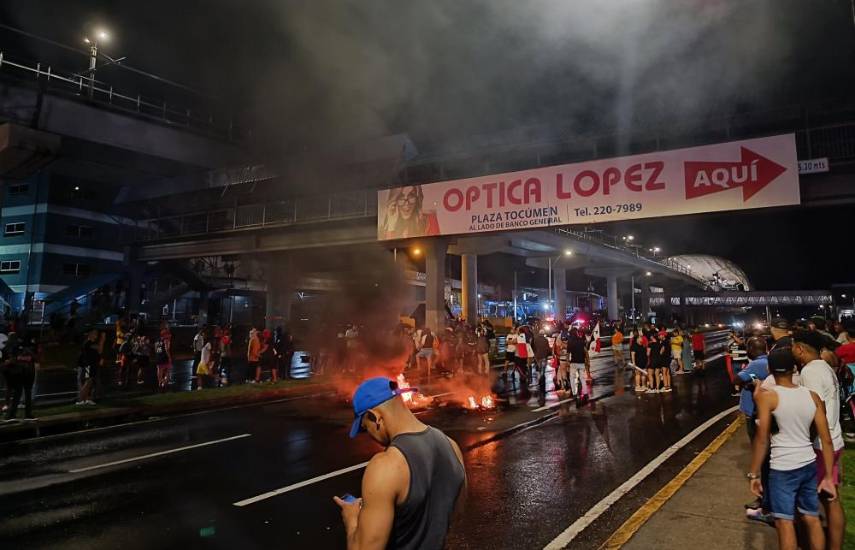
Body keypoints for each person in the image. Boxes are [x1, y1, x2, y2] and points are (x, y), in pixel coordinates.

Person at [335, 377, 465, 549]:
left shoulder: (385, 466)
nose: (370, 436)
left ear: (375, 418)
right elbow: (455, 514)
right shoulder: (452, 446)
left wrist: (352, 521)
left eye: (366, 428)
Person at [748, 346, 837, 550]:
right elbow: (826, 439)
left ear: (770, 369)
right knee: (812, 518)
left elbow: (762, 439)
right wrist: (829, 478)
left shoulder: (768, 396)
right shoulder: (812, 396)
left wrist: (753, 474)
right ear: (795, 368)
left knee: (785, 522)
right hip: (808, 464)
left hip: (782, 467)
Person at [792, 330, 846, 550]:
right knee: (831, 498)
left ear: (801, 348)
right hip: (833, 441)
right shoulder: (824, 367)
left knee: (810, 505)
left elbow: (816, 410)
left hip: (820, 446)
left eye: (794, 346)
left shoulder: (811, 372)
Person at [736, 336, 770, 517]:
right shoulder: (768, 361)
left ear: (750, 350)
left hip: (756, 414)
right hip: (763, 413)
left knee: (762, 454)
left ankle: (764, 499)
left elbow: (738, 378)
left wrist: (748, 379)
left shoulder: (756, 364)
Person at [2, 333, 37, 421]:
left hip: (24, 372)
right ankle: (14, 414)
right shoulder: (14, 348)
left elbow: (33, 358)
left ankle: (16, 414)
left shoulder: (20, 349)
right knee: (19, 392)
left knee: (21, 392)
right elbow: (12, 360)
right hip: (19, 373)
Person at [76, 330, 101, 406]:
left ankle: (86, 399)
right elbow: (99, 349)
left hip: (92, 365)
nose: (96, 335)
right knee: (88, 382)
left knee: (89, 383)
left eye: (96, 334)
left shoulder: (90, 343)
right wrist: (103, 339)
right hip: (89, 366)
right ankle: (81, 400)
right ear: (90, 335)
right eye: (94, 334)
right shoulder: (88, 343)